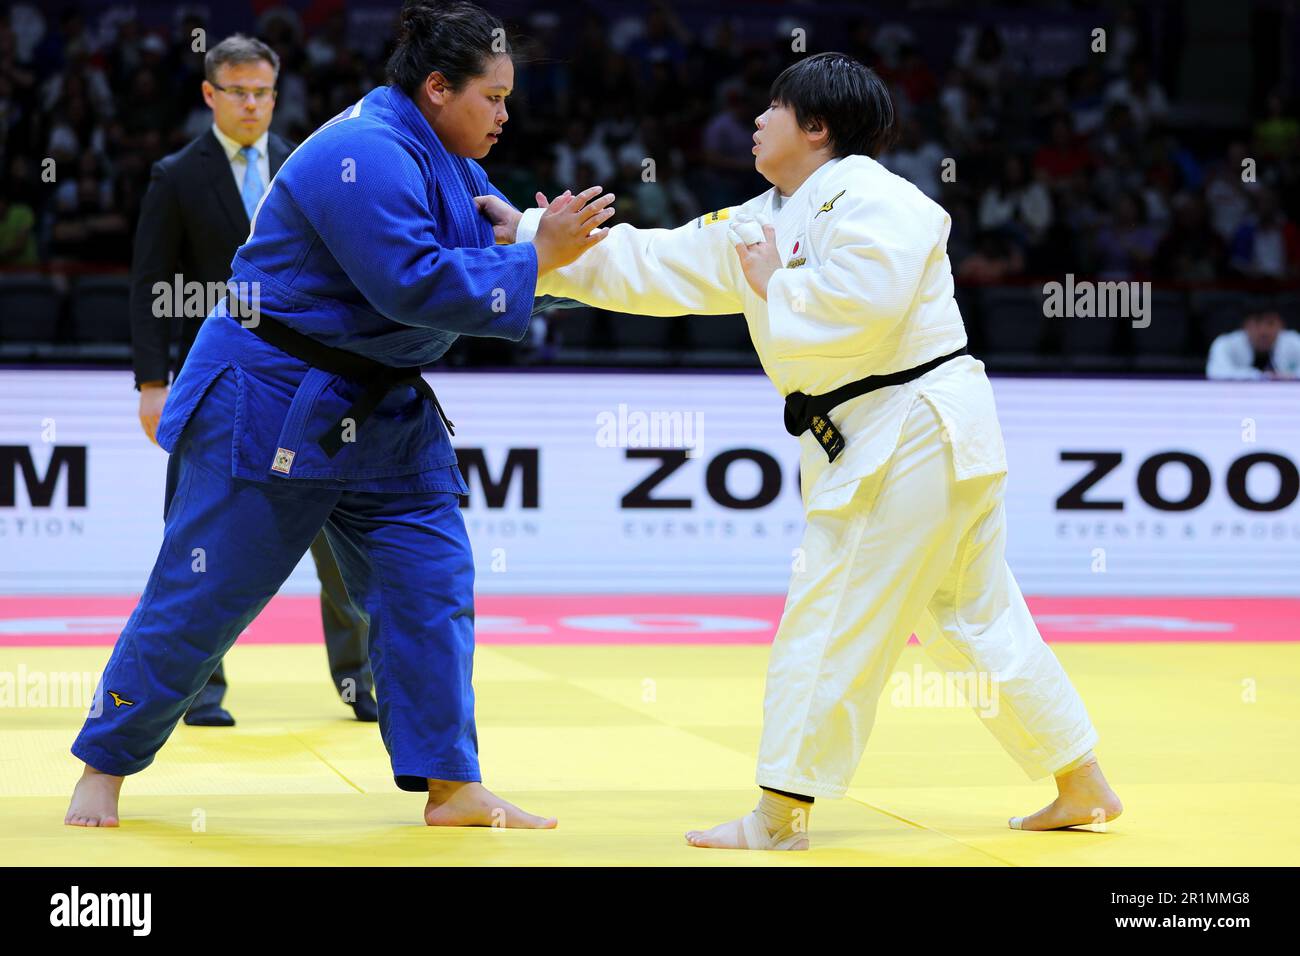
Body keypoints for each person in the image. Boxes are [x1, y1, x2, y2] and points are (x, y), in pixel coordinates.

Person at [481, 52, 1121, 851]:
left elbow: (869, 307)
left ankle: (781, 815)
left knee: (828, 616)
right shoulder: (766, 217)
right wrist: (539, 240)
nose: (754, 122)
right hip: (902, 435)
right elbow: (659, 261)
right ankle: (1078, 778)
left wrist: (773, 283)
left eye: (772, 109)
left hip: (912, 427)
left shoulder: (885, 200)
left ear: (816, 128)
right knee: (974, 615)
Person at [64, 0, 614, 829]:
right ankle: (102, 766)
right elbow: (416, 283)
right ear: (437, 87)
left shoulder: (447, 154)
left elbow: (488, 242)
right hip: (270, 399)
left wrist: (528, 235)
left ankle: (449, 783)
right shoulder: (366, 153)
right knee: (204, 595)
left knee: (430, 587)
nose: (506, 113)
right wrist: (534, 256)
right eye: (492, 96)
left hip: (385, 415)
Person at [130, 33, 377, 727]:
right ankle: (197, 691)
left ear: (277, 93)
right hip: (219, 383)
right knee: (201, 542)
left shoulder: (313, 164)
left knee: (339, 537)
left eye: (262, 92)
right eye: (236, 91)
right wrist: (152, 382)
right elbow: (153, 285)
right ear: (210, 94)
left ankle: (360, 680)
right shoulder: (176, 175)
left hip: (316, 383)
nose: (250, 104)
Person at [1206, 304, 1300, 379]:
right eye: (1257, 323)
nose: (1264, 331)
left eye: (1270, 323)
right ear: (1245, 326)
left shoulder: (1294, 341)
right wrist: (1260, 376)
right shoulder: (1225, 344)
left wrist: (1290, 376)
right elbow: (1216, 373)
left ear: (1281, 326)